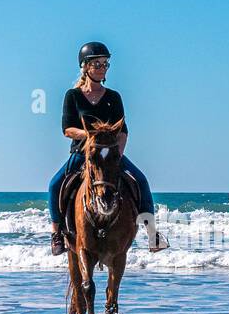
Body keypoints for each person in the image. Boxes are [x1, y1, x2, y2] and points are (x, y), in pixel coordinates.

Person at [48, 41, 168, 256]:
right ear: (85, 66)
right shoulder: (72, 96)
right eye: (97, 64)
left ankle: (153, 235)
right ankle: (57, 234)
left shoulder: (114, 97)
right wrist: (91, 137)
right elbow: (67, 129)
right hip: (83, 152)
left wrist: (117, 154)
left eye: (105, 64)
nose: (102, 68)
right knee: (55, 184)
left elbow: (123, 131)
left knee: (140, 180)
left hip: (111, 154)